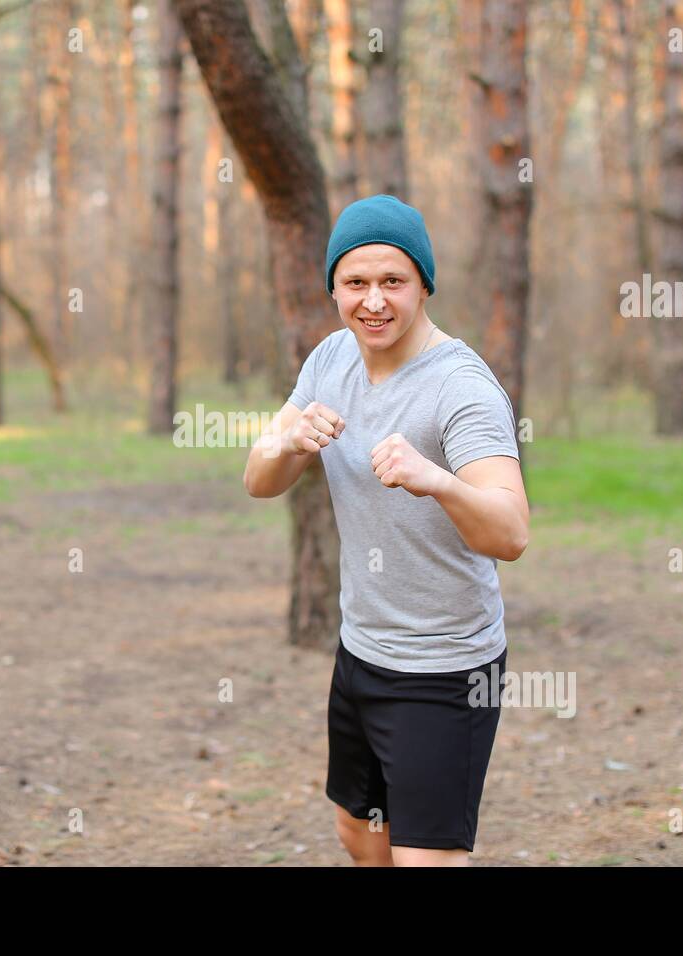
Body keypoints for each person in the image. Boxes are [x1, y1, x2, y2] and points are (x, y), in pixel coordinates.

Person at [243, 194, 529, 867]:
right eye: (356, 283)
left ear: (424, 284)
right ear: (335, 289)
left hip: (445, 668)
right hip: (363, 650)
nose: (373, 301)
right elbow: (257, 480)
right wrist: (290, 443)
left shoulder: (461, 388)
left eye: (393, 281)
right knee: (358, 835)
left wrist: (437, 480)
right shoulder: (329, 362)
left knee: (425, 859)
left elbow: (512, 532)